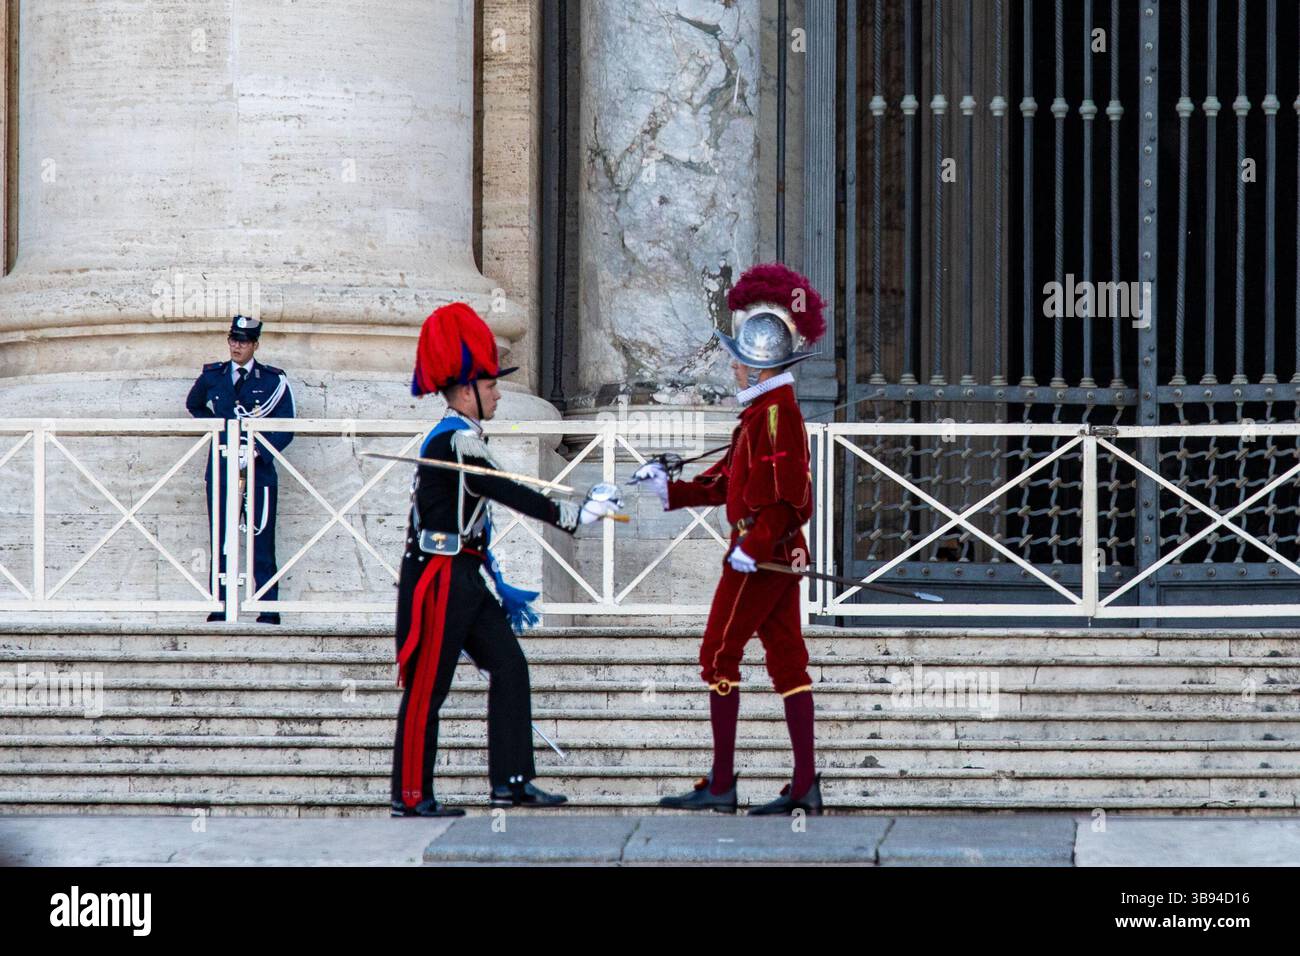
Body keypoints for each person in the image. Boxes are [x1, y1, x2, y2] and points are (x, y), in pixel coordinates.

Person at [391, 302, 623, 817]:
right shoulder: (453, 441)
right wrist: (577, 513)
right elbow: (511, 493)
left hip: (467, 577)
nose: (498, 394)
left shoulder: (466, 440)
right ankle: (410, 795)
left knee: (511, 666)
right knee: (430, 686)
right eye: (491, 385)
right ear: (466, 390)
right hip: (440, 578)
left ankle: (512, 781)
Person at [632, 263, 826, 815]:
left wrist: (750, 547)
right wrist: (671, 489)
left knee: (717, 656)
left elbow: (787, 498)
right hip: (772, 559)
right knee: (788, 664)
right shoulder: (763, 413)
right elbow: (727, 482)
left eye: (738, 357)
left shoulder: (774, 415)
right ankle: (804, 784)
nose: (733, 367)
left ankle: (721, 784)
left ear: (760, 360)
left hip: (759, 561)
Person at [185, 315, 295, 624]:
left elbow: (287, 426)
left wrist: (259, 450)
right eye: (233, 340)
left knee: (262, 538)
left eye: (243, 342)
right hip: (222, 467)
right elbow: (193, 404)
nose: (236, 346)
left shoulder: (273, 380)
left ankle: (268, 609)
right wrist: (218, 432)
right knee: (221, 537)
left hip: (258, 471)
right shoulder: (214, 376)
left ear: (255, 345)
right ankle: (221, 606)